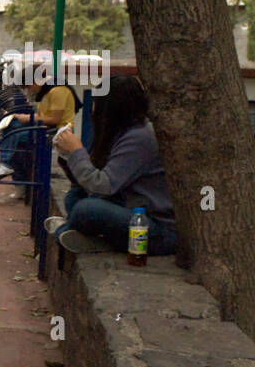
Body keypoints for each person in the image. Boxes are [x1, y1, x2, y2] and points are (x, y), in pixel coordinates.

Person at [48, 74, 177, 255]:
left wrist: (77, 152)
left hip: (154, 228)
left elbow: (103, 186)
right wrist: (67, 156)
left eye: (96, 103)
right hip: (127, 206)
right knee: (74, 197)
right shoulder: (121, 133)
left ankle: (67, 229)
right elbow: (87, 185)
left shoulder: (140, 137)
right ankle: (80, 233)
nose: (92, 109)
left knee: (86, 210)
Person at [0, 74, 79, 188]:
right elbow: (40, 115)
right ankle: (6, 164)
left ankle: (6, 164)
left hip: (57, 131)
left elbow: (55, 119)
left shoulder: (58, 91)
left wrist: (27, 118)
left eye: (29, 87)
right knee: (11, 126)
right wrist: (19, 116)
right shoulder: (42, 92)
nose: (30, 91)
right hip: (43, 127)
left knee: (16, 136)